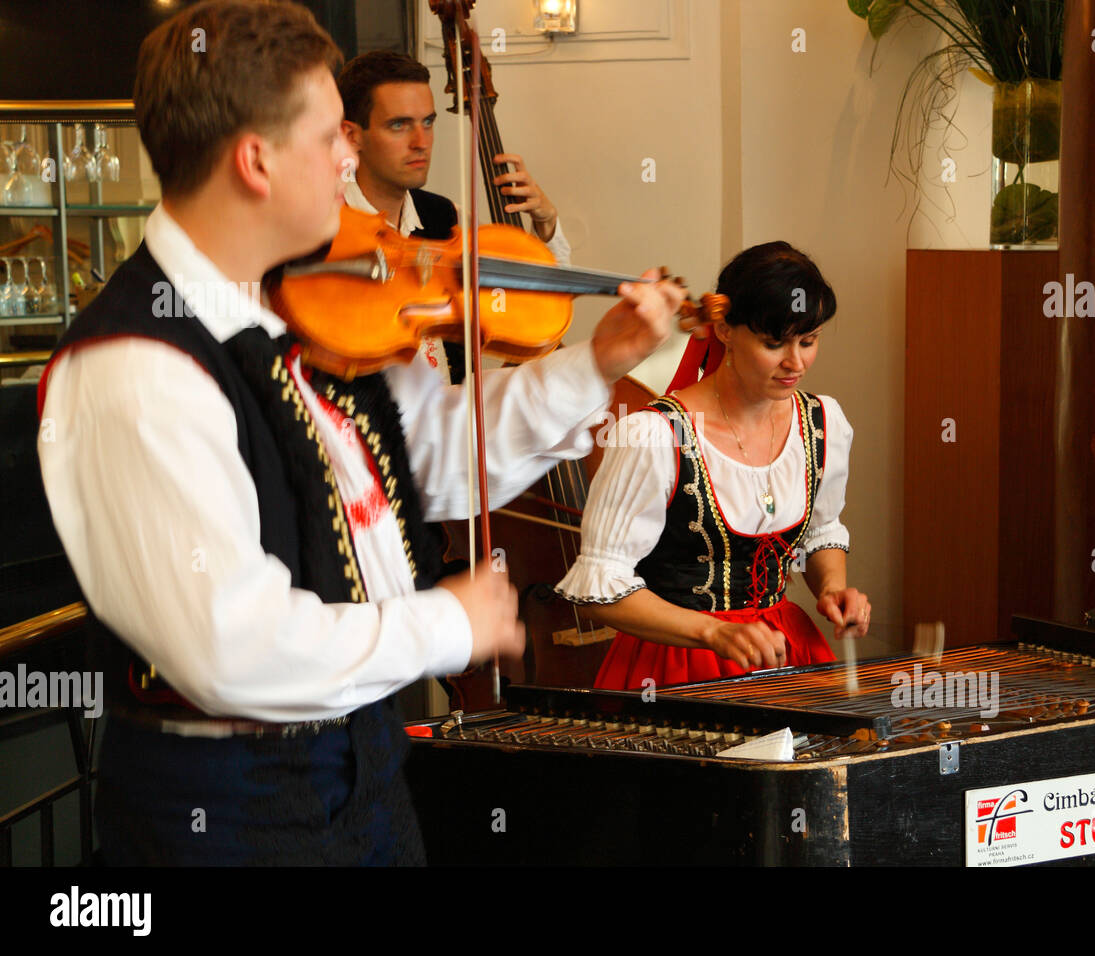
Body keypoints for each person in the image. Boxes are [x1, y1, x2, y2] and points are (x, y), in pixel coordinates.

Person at [36, 0, 685, 865]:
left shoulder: (314, 308)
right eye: (329, 137)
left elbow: (419, 462)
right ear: (255, 161)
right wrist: (446, 625)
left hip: (368, 761)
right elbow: (234, 647)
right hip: (232, 808)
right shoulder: (136, 368)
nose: (352, 158)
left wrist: (594, 366)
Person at [556, 241, 869, 689]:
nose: (794, 362)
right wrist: (712, 631)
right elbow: (597, 589)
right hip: (678, 667)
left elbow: (821, 531)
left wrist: (833, 588)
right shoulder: (655, 435)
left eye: (808, 340)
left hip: (784, 655)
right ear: (723, 329)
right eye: (773, 342)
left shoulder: (823, 423)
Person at [336, 50, 569, 383]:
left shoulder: (445, 218)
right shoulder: (326, 225)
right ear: (351, 136)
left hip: (451, 422)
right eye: (399, 125)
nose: (421, 143)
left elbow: (533, 306)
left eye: (428, 122)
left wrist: (545, 225)